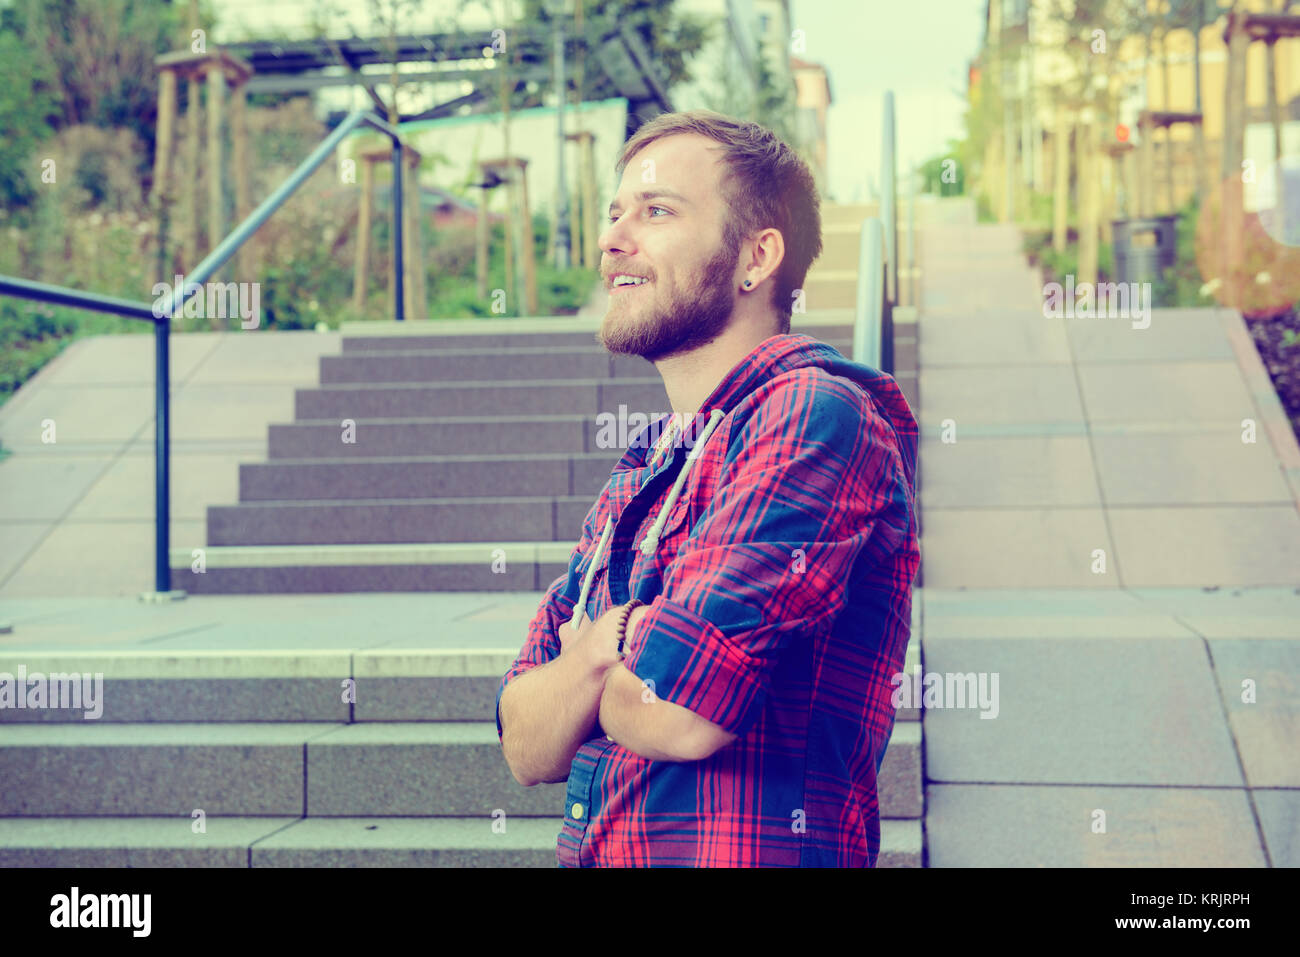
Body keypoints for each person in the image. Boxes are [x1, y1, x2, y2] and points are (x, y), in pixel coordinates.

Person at [495, 109, 920, 867]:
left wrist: (589, 652)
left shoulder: (812, 415)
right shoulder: (645, 471)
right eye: (615, 213)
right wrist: (617, 646)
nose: (613, 241)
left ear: (756, 257)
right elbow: (525, 741)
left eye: (656, 211)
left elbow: (682, 708)